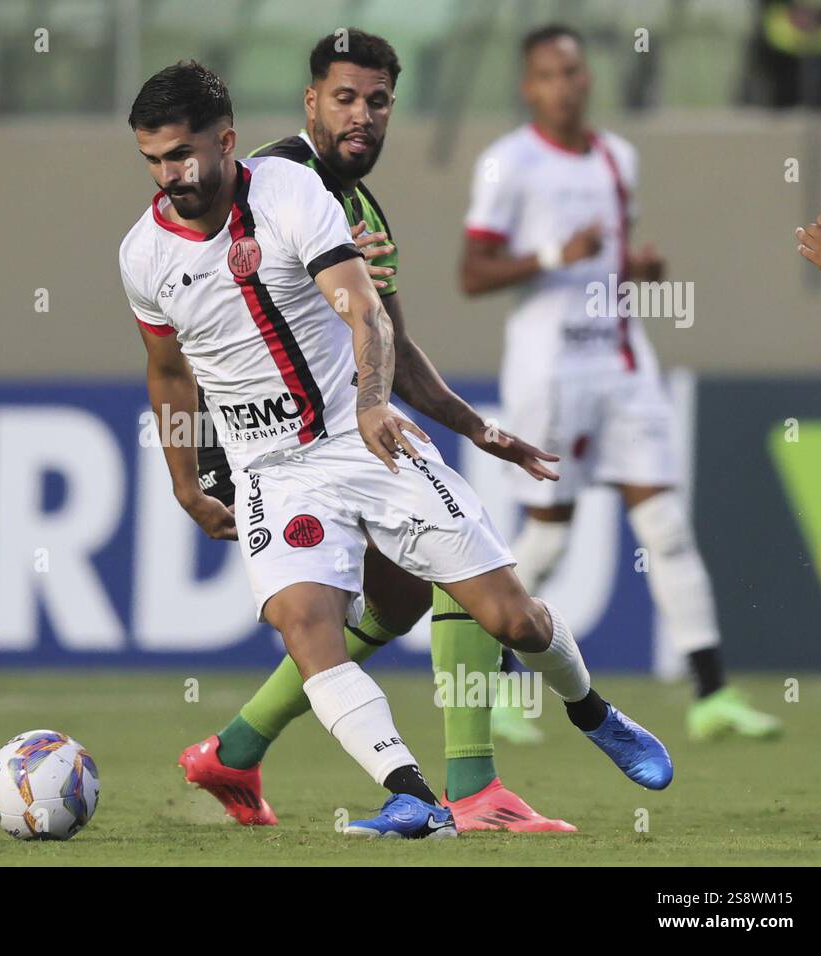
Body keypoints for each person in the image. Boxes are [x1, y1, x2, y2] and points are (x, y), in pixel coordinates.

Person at [120, 60, 673, 838]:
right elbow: (169, 369)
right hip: (271, 469)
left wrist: (378, 404)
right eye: (153, 159)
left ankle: (594, 712)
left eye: (182, 154)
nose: (170, 174)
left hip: (361, 435)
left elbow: (367, 314)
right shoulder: (143, 254)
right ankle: (413, 794)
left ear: (226, 140)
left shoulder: (290, 195)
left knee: (511, 619)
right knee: (305, 625)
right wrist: (184, 480)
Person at [178, 30, 572, 834]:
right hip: (258, 442)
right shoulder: (275, 183)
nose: (362, 116)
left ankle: (236, 748)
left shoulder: (354, 200)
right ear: (311, 102)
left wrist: (478, 426)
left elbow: (387, 343)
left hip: (331, 428)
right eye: (345, 98)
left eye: (378, 100)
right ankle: (471, 789)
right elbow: (201, 296)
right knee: (436, 561)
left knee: (401, 592)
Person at [460, 24, 780, 742]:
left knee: (664, 525)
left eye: (573, 72)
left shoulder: (617, 158)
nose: (564, 86)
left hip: (624, 362)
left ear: (588, 80)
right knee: (550, 536)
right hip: (551, 372)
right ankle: (496, 687)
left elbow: (606, 263)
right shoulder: (506, 164)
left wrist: (637, 270)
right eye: (548, 75)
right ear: (527, 86)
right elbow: (472, 274)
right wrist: (552, 252)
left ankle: (711, 694)